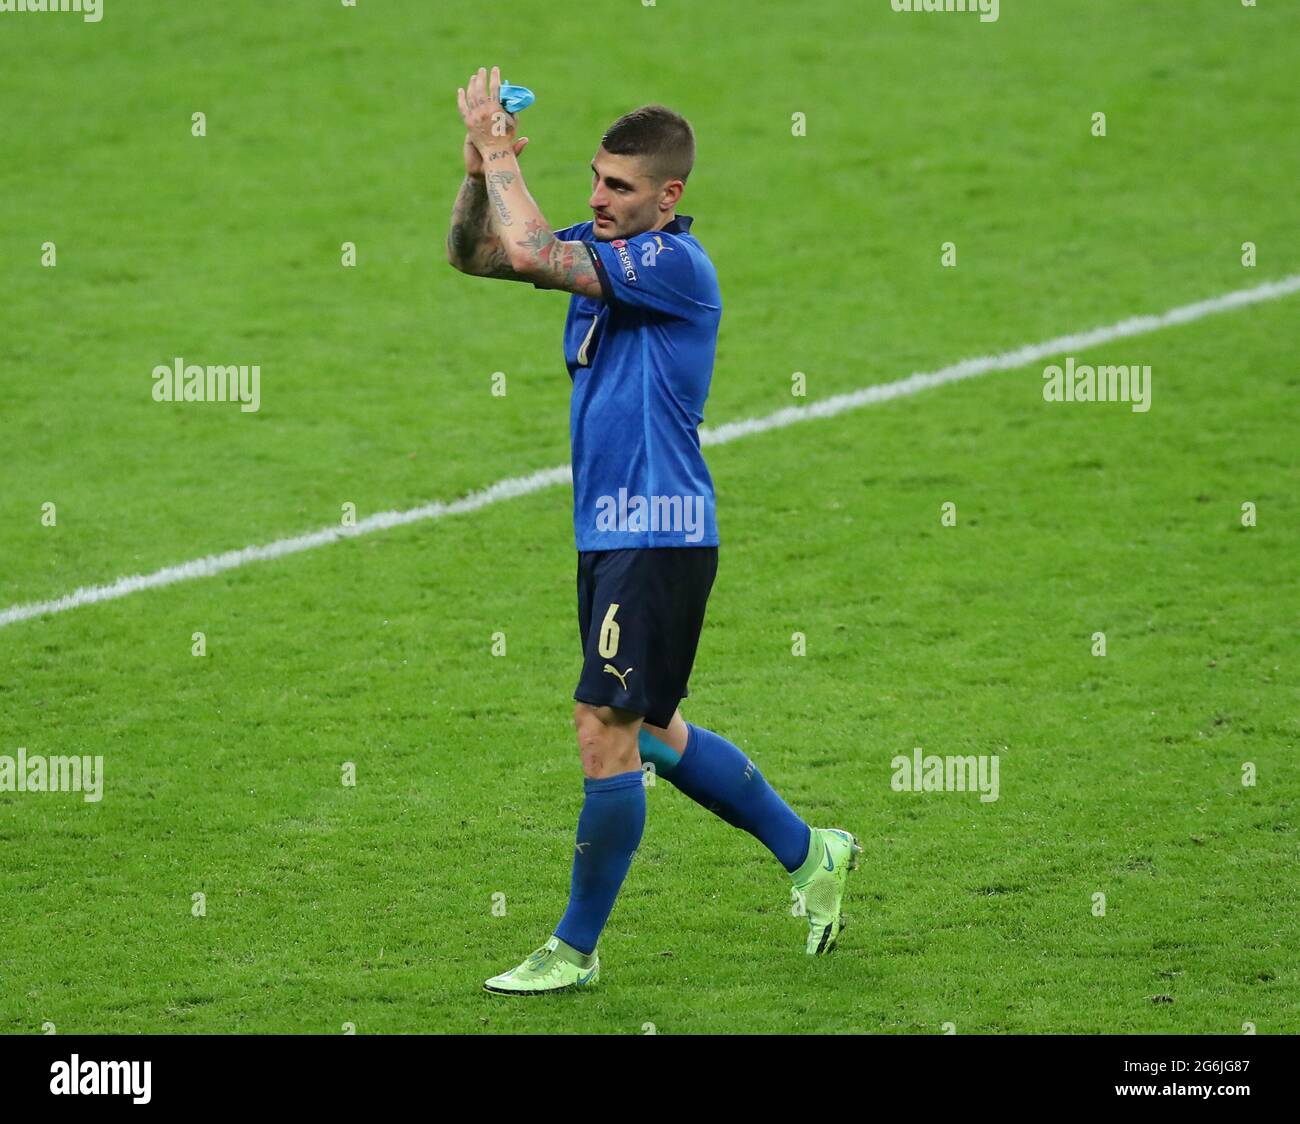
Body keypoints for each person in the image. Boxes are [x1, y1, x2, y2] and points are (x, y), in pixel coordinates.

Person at [448, 66, 859, 994]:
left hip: (660, 530)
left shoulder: (671, 264)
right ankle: (813, 852)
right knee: (654, 731)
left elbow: (528, 254)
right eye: (595, 177)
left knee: (604, 726)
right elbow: (480, 253)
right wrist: (480, 167)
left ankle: (573, 948)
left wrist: (508, 154)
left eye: (619, 186)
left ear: (668, 197)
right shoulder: (608, 247)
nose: (597, 196)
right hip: (609, 531)